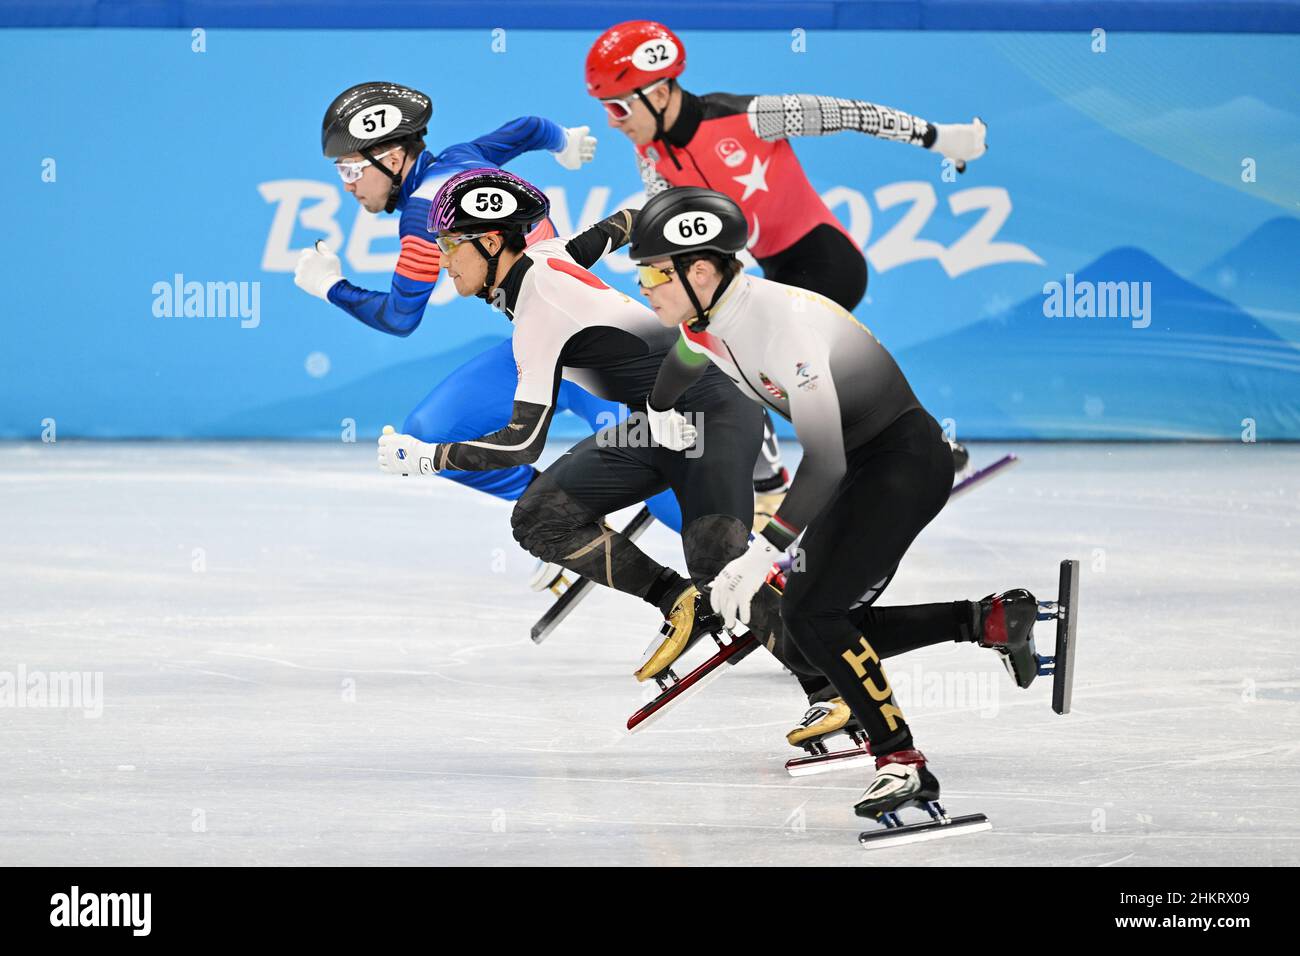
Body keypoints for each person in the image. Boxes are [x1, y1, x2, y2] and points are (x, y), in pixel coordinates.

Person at [630, 186, 1040, 821]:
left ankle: (904, 764)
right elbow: (685, 356)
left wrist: (758, 555)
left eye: (653, 272)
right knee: (806, 622)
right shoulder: (709, 317)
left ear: (701, 270)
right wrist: (657, 410)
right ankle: (988, 621)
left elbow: (824, 461)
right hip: (864, 465)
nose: (644, 286)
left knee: (816, 617)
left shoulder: (781, 328)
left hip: (899, 463)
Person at [374, 169, 808, 688]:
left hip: (715, 412)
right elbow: (624, 222)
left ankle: (834, 685)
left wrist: (427, 458)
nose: (443, 259)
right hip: (659, 423)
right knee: (540, 518)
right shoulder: (547, 257)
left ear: (491, 242)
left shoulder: (539, 310)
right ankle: (678, 601)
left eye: (449, 244)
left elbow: (520, 442)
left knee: (720, 569)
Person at [586, 20, 983, 480]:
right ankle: (919, 449)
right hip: (776, 277)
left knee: (758, 366)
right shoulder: (651, 154)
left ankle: (779, 475)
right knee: (757, 366)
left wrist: (939, 138)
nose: (612, 123)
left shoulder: (752, 117)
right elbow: (673, 230)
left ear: (657, 94)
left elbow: (852, 114)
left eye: (617, 108)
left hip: (827, 261)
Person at [288, 81, 693, 524]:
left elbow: (400, 317)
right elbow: (527, 128)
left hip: (596, 357)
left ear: (390, 158)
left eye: (349, 170)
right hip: (542, 346)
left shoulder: (426, 215)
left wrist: (330, 286)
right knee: (431, 431)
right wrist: (565, 142)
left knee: (664, 473)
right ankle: (564, 510)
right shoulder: (464, 156)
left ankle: (756, 566)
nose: (347, 187)